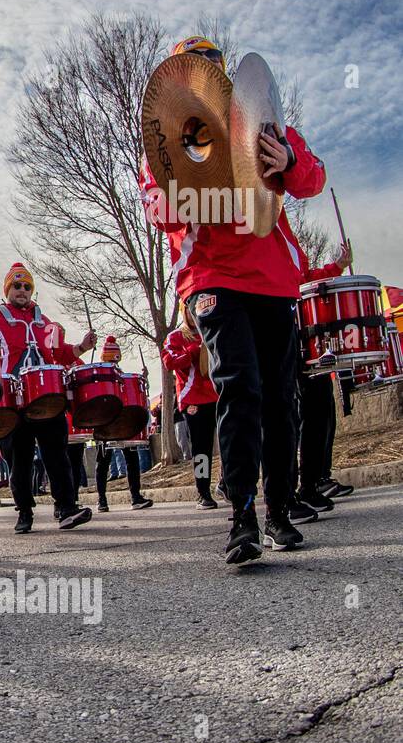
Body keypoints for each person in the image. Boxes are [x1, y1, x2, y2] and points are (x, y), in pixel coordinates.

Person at [141, 35, 327, 563]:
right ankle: (242, 516)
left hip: (273, 280)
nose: (205, 75)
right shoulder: (167, 141)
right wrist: (190, 184)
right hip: (213, 278)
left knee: (279, 397)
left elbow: (312, 178)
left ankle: (280, 510)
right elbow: (159, 210)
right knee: (239, 387)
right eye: (193, 67)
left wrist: (288, 159)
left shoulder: (268, 125)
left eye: (213, 65)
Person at [0, 263, 95, 533]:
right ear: (7, 289)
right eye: (17, 285)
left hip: (47, 397)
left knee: (57, 455)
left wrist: (82, 346)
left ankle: (67, 508)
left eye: (27, 286)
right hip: (12, 401)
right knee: (19, 460)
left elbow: (58, 355)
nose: (22, 291)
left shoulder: (45, 322)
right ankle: (24, 512)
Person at [278, 225, 354, 520]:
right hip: (286, 336)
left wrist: (337, 266)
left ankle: (311, 483)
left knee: (320, 412)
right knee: (293, 417)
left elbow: (305, 279)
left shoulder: (288, 240)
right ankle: (289, 491)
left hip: (310, 340)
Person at [163, 303, 220, 509]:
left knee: (230, 441)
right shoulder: (176, 336)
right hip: (193, 398)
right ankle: (203, 492)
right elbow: (169, 362)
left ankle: (226, 482)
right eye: (188, 309)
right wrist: (194, 352)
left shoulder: (213, 329)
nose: (193, 313)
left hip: (218, 394)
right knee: (201, 448)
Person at [91, 337, 153, 512]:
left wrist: (142, 379)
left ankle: (135, 497)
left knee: (129, 458)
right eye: (110, 358)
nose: (113, 361)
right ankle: (102, 499)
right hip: (105, 421)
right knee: (103, 460)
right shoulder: (99, 374)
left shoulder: (122, 376)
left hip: (123, 420)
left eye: (115, 357)